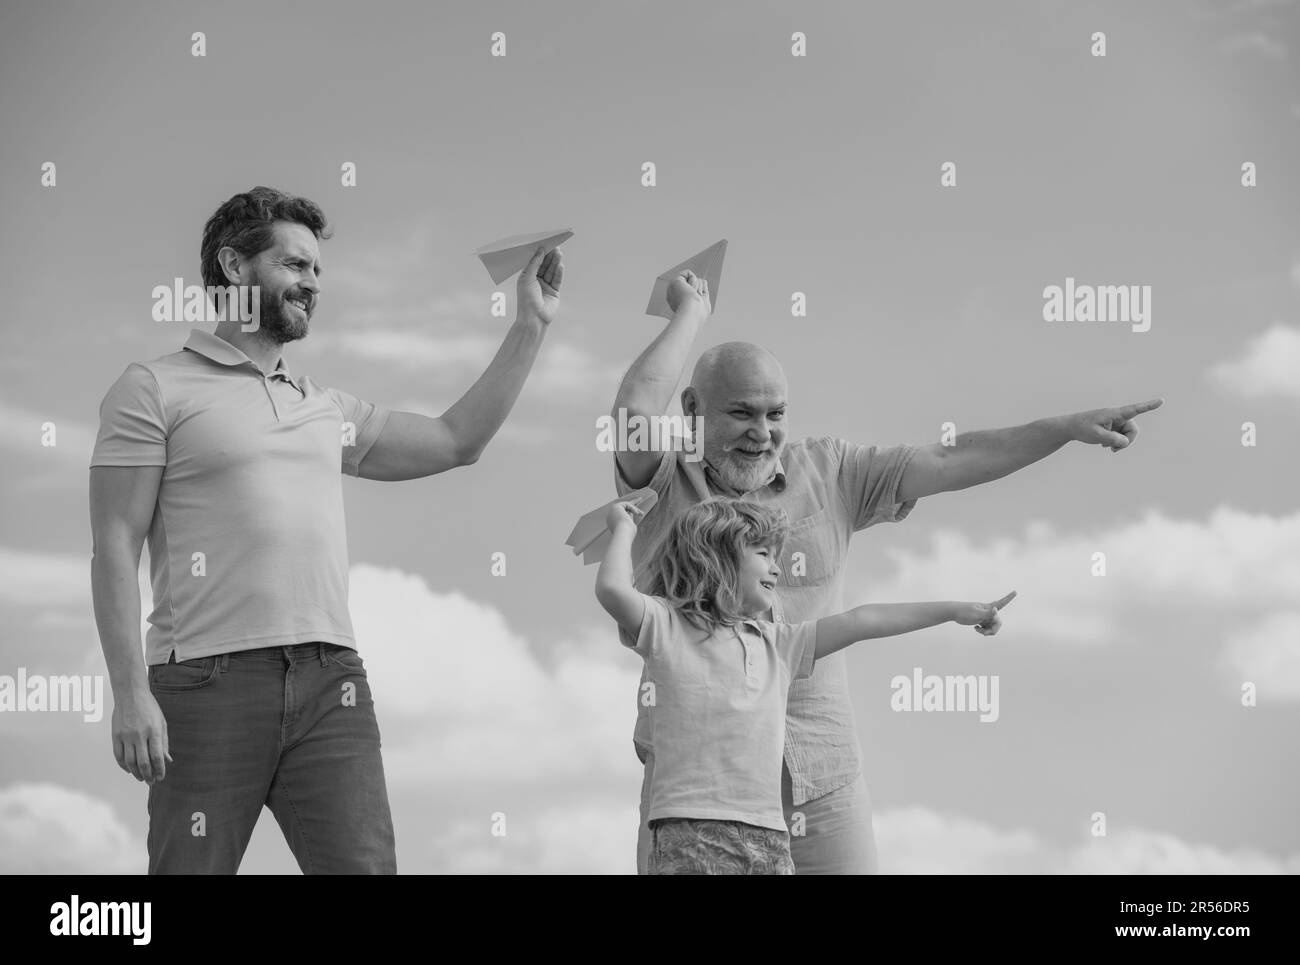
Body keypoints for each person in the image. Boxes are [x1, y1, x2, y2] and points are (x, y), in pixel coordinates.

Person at [611, 268, 1162, 874]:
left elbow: (952, 459)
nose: (761, 432)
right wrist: (691, 311)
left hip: (823, 777)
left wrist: (1063, 430)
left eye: (776, 414)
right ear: (691, 410)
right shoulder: (661, 481)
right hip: (695, 799)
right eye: (741, 413)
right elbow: (635, 408)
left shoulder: (833, 470)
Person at [89, 186, 565, 874]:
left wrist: (530, 326)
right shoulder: (153, 388)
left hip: (331, 683)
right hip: (204, 681)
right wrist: (130, 694)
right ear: (233, 265)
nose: (313, 284)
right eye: (295, 265)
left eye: (318, 270)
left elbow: (456, 439)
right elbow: (113, 548)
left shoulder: (325, 408)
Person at [596, 496, 1013, 874]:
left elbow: (862, 621)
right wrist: (624, 529)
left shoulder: (780, 644)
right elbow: (613, 589)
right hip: (690, 828)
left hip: (770, 834)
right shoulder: (665, 624)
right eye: (762, 554)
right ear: (716, 557)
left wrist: (956, 611)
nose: (776, 567)